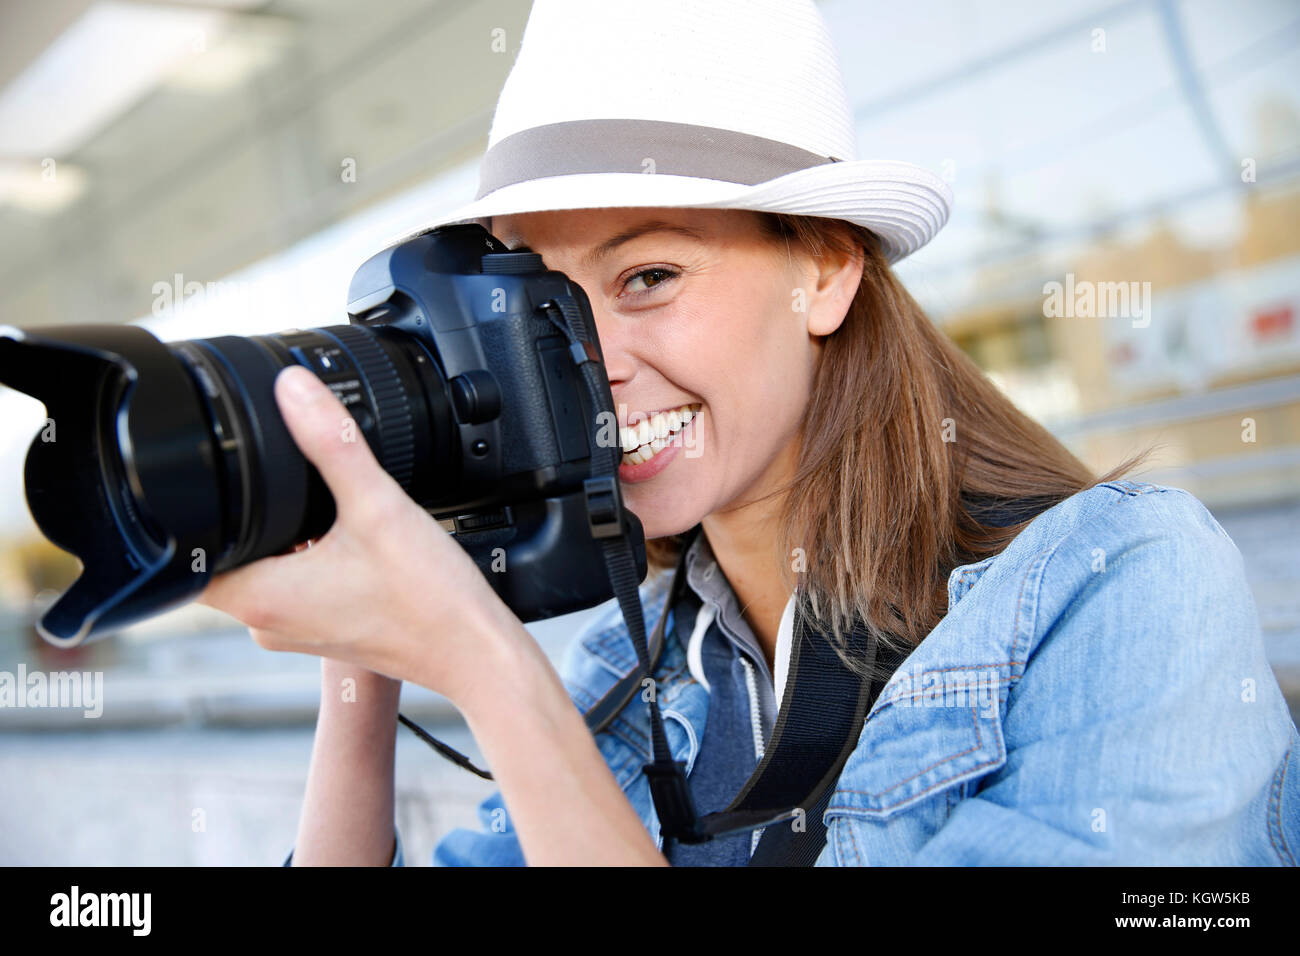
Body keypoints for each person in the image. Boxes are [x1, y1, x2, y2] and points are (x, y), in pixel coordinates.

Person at [199, 0, 1299, 866]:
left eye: (648, 275)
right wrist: (364, 657)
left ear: (826, 267)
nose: (588, 362)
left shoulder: (1122, 586)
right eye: (547, 308)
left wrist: (487, 670)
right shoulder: (637, 673)